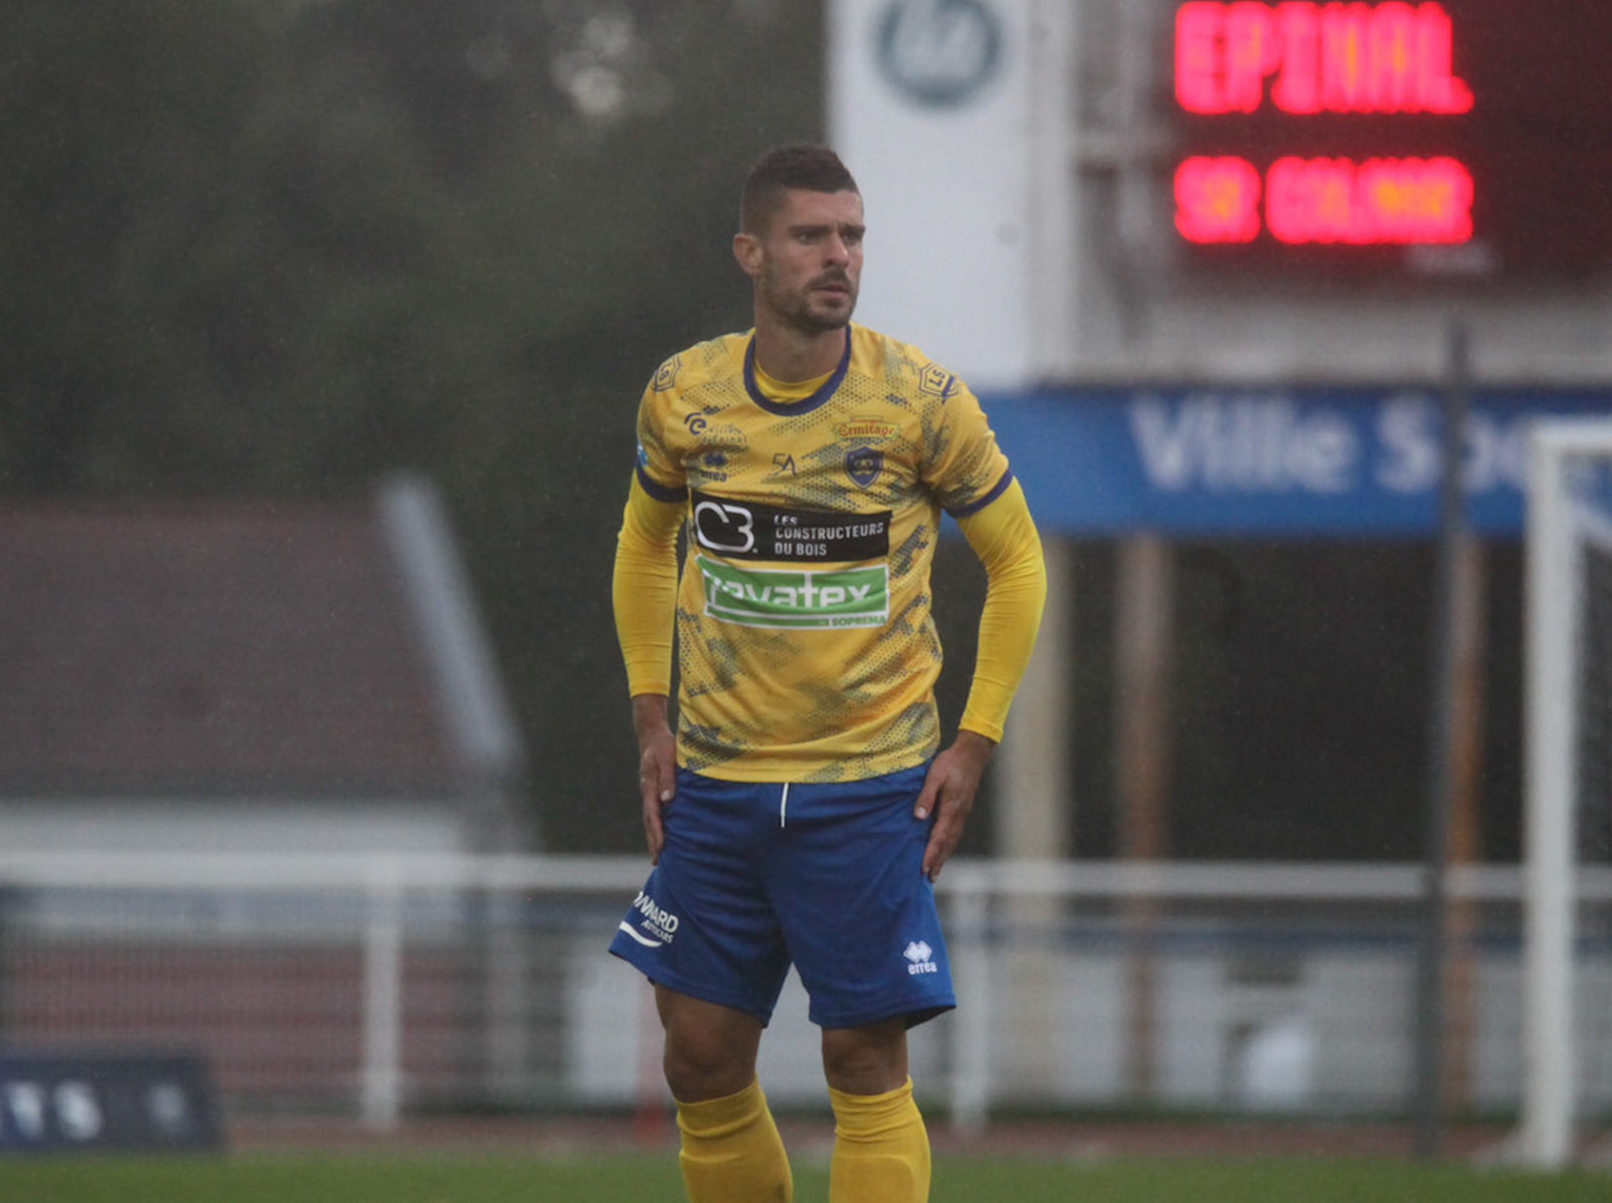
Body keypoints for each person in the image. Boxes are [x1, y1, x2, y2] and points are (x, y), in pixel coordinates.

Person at [608, 144, 1047, 1203]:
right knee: (698, 1055)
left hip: (866, 789)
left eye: (851, 235)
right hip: (716, 787)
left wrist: (975, 739)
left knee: (861, 1057)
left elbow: (1016, 559)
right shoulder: (685, 394)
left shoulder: (921, 402)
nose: (837, 256)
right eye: (811, 235)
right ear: (751, 253)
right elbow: (641, 546)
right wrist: (649, 715)